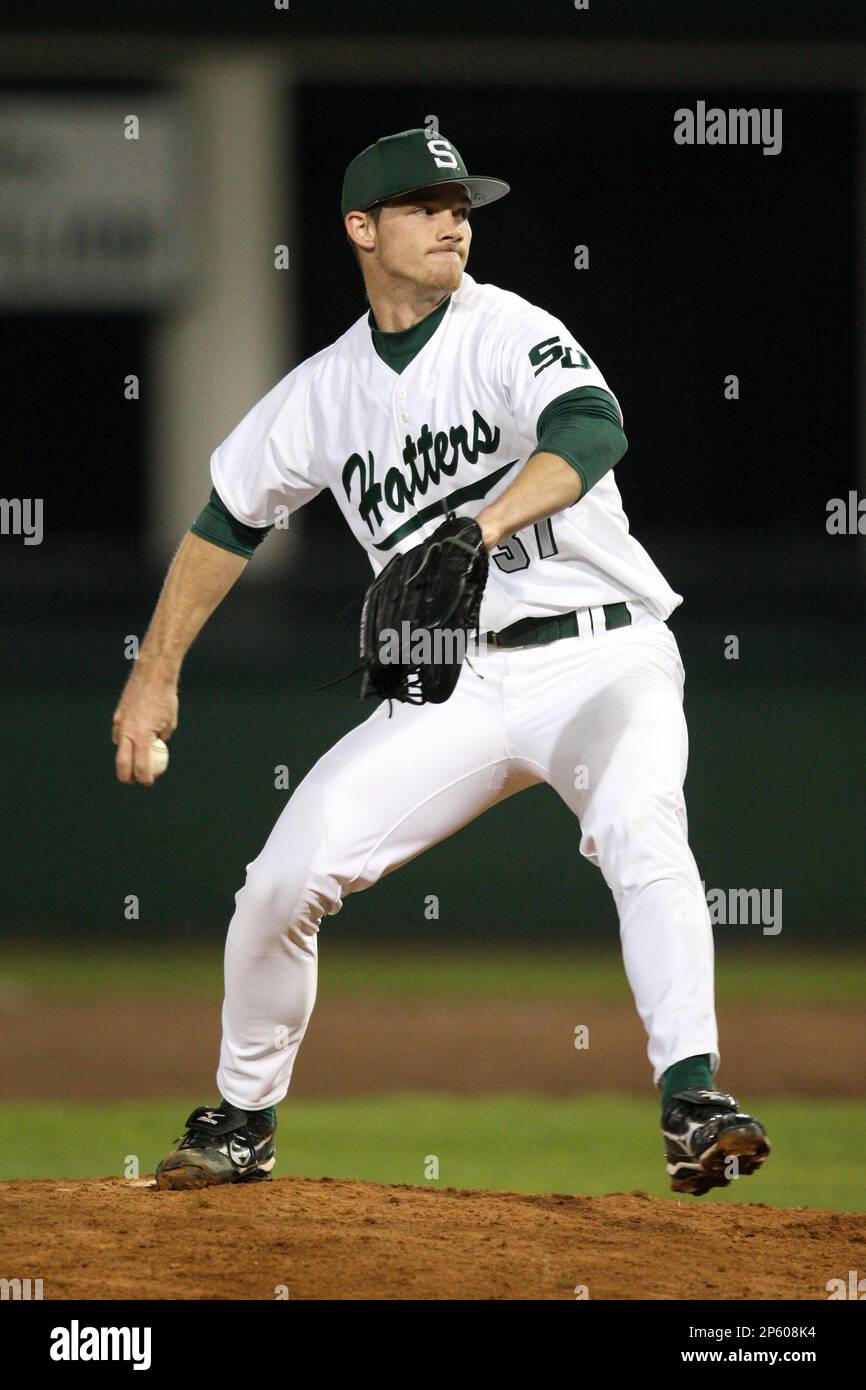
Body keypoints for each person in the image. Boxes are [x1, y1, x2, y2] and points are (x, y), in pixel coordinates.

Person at [113, 128, 769, 1198]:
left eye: (459, 203)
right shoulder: (323, 391)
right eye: (422, 205)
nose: (453, 220)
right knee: (281, 880)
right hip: (455, 683)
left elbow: (591, 429)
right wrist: (155, 672)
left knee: (638, 825)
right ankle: (240, 1121)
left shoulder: (507, 328)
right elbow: (223, 523)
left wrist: (482, 523)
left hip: (601, 654)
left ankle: (693, 1101)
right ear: (360, 230)